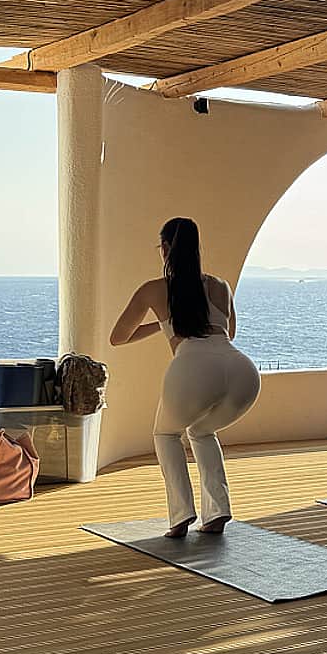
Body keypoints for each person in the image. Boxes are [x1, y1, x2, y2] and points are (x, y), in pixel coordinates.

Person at [109, 217, 261, 538]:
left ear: (164, 249)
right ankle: (218, 511)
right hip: (242, 371)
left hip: (193, 367)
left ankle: (181, 517)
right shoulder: (220, 286)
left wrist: (163, 322)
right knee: (202, 431)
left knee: (165, 435)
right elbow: (228, 332)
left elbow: (118, 337)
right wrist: (168, 323)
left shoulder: (153, 290)